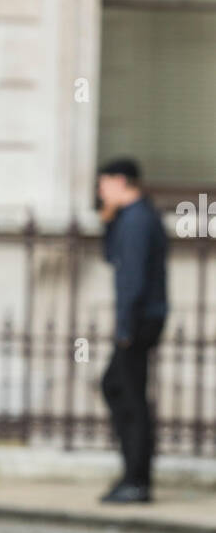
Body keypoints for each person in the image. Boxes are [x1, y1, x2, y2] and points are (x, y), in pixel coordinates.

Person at [96, 157, 168, 504]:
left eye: (103, 183)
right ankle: (134, 475)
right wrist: (107, 220)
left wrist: (125, 327)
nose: (99, 190)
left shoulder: (139, 220)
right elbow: (112, 258)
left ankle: (137, 481)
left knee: (130, 395)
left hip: (140, 320)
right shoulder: (129, 218)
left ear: (120, 181)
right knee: (116, 387)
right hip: (140, 318)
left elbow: (134, 279)